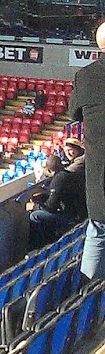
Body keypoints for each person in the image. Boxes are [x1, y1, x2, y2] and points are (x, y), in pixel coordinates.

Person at [70, 22, 105, 280]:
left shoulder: (85, 77)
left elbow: (73, 113)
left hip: (100, 180)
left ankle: (87, 298)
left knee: (98, 234)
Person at [29, 138, 86, 250]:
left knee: (35, 215)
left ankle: (39, 248)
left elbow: (51, 207)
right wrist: (44, 197)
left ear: (49, 171)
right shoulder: (64, 175)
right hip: (79, 213)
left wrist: (35, 206)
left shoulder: (60, 178)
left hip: (74, 218)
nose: (69, 153)